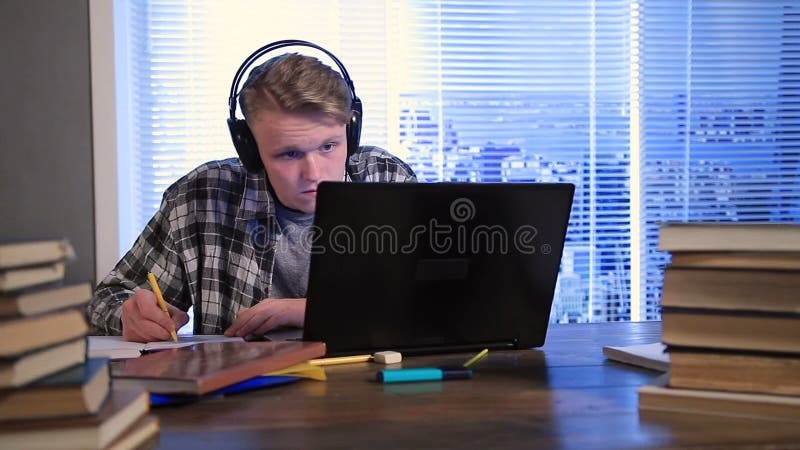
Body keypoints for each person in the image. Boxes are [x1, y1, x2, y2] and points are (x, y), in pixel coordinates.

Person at [88, 50, 416, 342]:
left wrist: (310, 311)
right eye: (289, 154)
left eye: (328, 146)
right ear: (250, 149)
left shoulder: (386, 179)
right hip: (241, 389)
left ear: (351, 131)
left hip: (367, 383)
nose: (313, 172)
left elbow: (427, 301)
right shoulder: (200, 197)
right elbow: (108, 299)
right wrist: (130, 317)